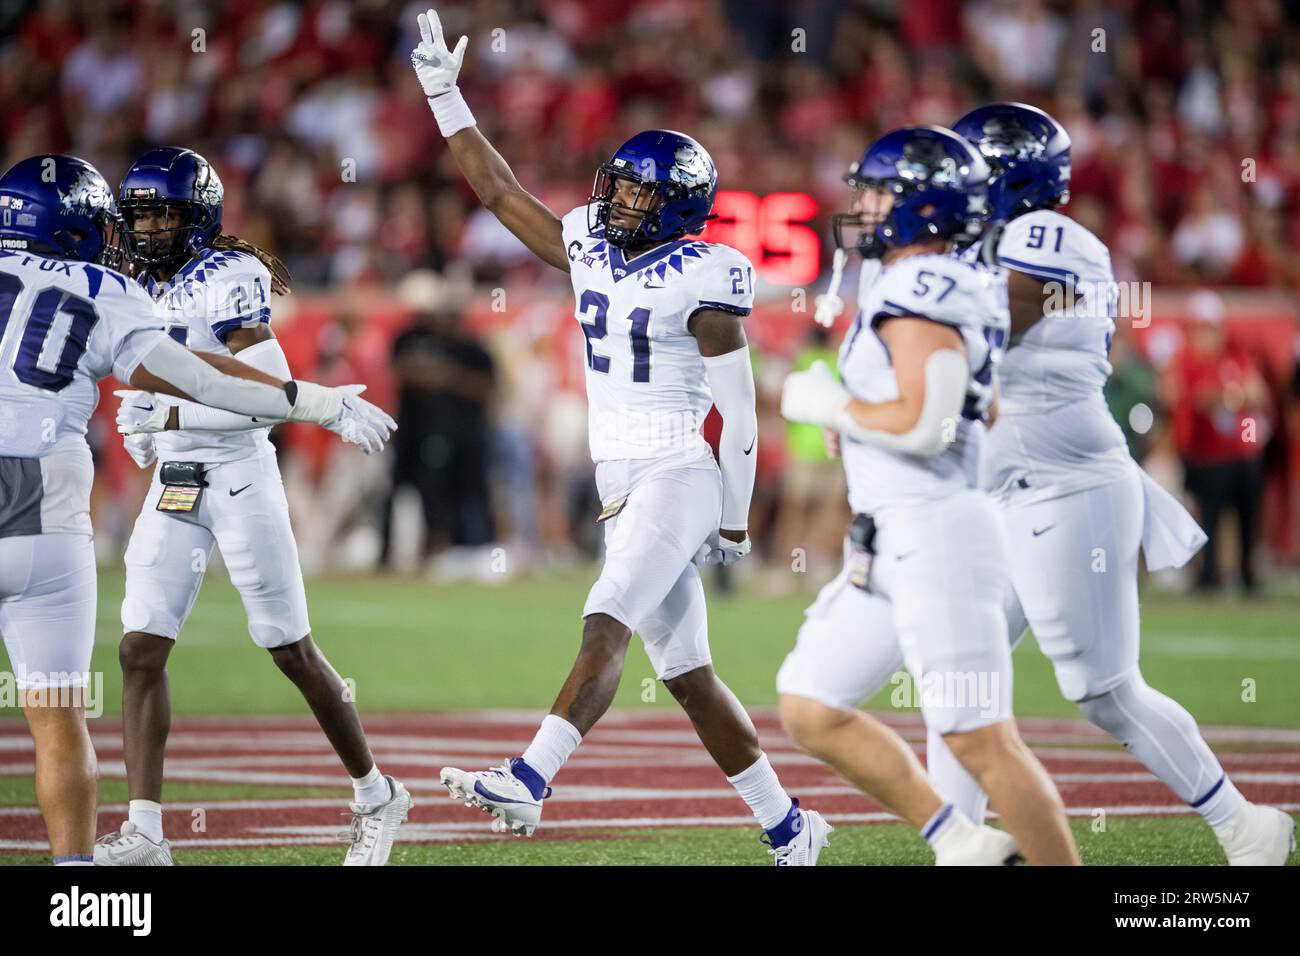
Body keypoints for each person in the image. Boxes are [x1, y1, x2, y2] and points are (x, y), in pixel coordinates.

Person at [410, 7, 830, 864]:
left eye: (641, 193)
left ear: (678, 207)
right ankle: (792, 828)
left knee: (605, 619)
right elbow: (497, 192)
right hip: (622, 479)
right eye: (622, 185)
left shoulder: (711, 277)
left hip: (678, 468)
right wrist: (444, 95)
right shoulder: (592, 245)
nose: (620, 200)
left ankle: (530, 778)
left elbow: (742, 412)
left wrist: (735, 520)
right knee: (688, 677)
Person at [0, 153, 393, 866]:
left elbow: (263, 395)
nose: (148, 228)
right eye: (139, 215)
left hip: (238, 473)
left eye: (163, 214)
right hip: (174, 480)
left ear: (198, 216)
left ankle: (374, 793)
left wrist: (167, 416)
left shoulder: (229, 275)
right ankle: (147, 830)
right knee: (139, 648)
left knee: (288, 648)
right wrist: (159, 423)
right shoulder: (126, 283)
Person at [936, 102, 1290, 865]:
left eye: (968, 166)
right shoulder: (989, 244)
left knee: (1103, 692)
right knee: (957, 672)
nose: (954, 181)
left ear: (1007, 176)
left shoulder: (1048, 239)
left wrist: (906, 295)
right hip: (1004, 493)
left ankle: (1244, 824)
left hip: (1068, 490)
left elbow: (999, 318)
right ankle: (961, 848)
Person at [779, 125, 1079, 865]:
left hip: (935, 535)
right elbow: (984, 408)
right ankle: (960, 838)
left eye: (879, 192)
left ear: (925, 205)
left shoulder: (923, 283)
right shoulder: (936, 279)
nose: (864, 205)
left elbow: (931, 425)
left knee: (983, 741)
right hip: (890, 538)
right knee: (810, 703)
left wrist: (832, 408)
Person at [1168, 293, 1272, 593]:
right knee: (1208, 520)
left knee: (1247, 517)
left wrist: (1228, 396)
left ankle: (1248, 575)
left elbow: (1258, 396)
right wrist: (1234, 395)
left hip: (1243, 452)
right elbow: (1196, 398)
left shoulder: (1235, 357)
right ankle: (1208, 576)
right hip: (1206, 456)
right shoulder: (1186, 360)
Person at [381, 299, 495, 564]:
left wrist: (452, 377)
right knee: (433, 490)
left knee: (472, 491)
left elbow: (484, 388)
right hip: (436, 432)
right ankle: (431, 549)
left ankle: (479, 548)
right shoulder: (432, 345)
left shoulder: (474, 350)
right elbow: (402, 373)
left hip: (470, 434)